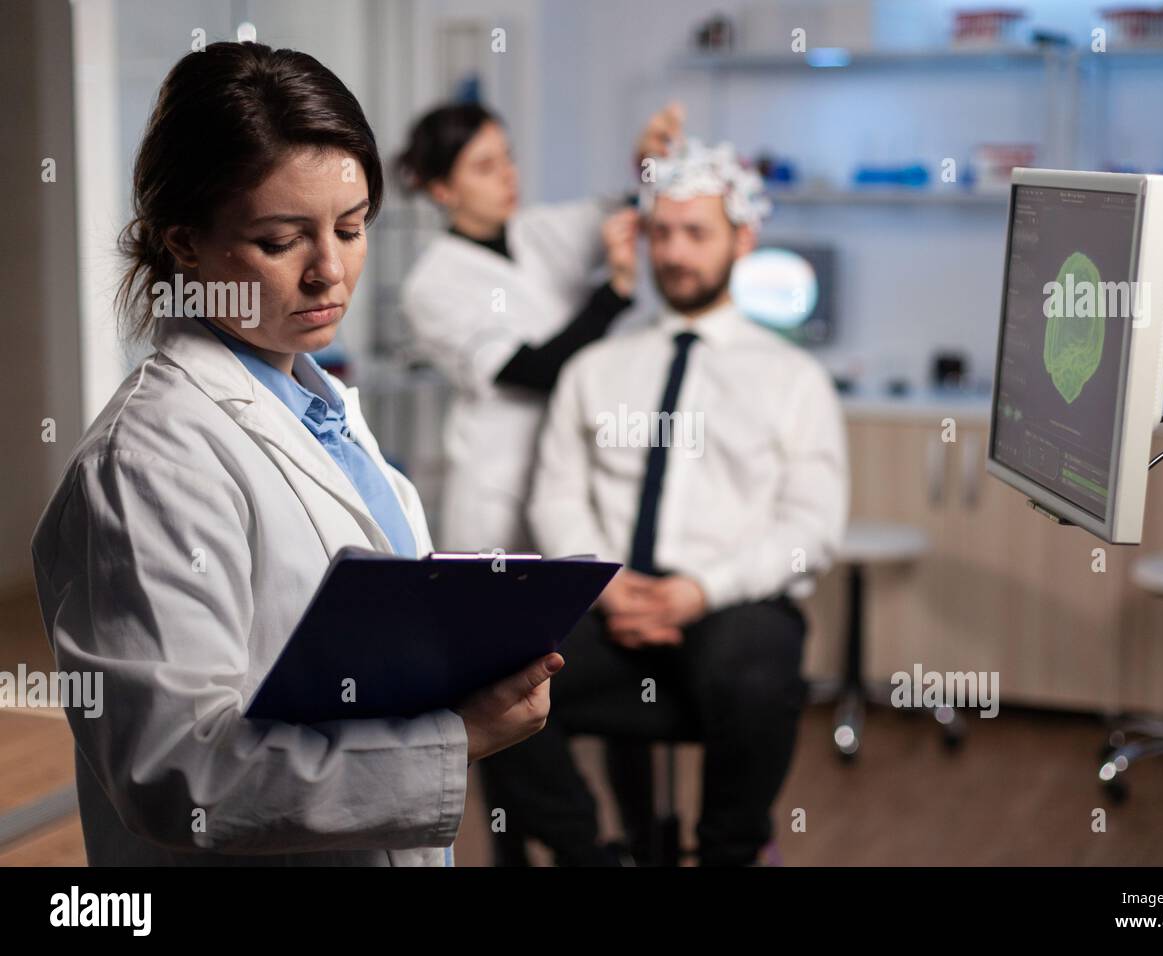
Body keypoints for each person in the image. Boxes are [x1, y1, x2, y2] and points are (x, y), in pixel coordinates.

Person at [29, 41, 560, 867]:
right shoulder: (149, 463)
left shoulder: (322, 414)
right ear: (185, 243)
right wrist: (455, 741)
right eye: (281, 241)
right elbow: (176, 774)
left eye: (351, 228)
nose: (329, 272)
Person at [479, 139, 848, 866]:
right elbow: (556, 494)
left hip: (732, 602)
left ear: (743, 239)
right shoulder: (595, 368)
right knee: (491, 664)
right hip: (611, 598)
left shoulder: (793, 378)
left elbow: (811, 527)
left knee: (755, 670)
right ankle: (588, 854)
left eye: (697, 233)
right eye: (663, 232)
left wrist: (699, 590)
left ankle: (729, 852)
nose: (675, 253)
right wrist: (609, 584)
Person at [398, 100, 683, 552]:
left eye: (507, 158)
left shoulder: (540, 231)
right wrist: (613, 294)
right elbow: (531, 371)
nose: (508, 175)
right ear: (442, 189)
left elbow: (631, 212)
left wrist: (647, 166)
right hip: (499, 487)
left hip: (572, 476)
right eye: (485, 167)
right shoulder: (432, 284)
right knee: (498, 597)